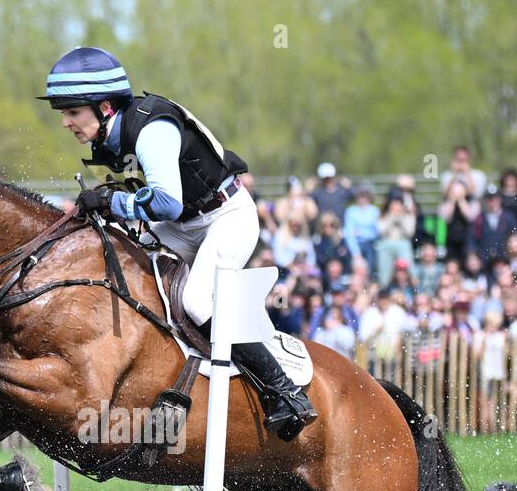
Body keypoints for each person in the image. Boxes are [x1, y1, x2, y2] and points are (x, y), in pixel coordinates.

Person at [42, 46, 315, 438]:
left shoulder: (152, 128)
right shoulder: (108, 136)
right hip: (184, 224)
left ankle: (285, 393)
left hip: (226, 218)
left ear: (104, 107)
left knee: (197, 301)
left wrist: (112, 200)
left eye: (72, 112)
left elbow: (166, 201)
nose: (66, 122)